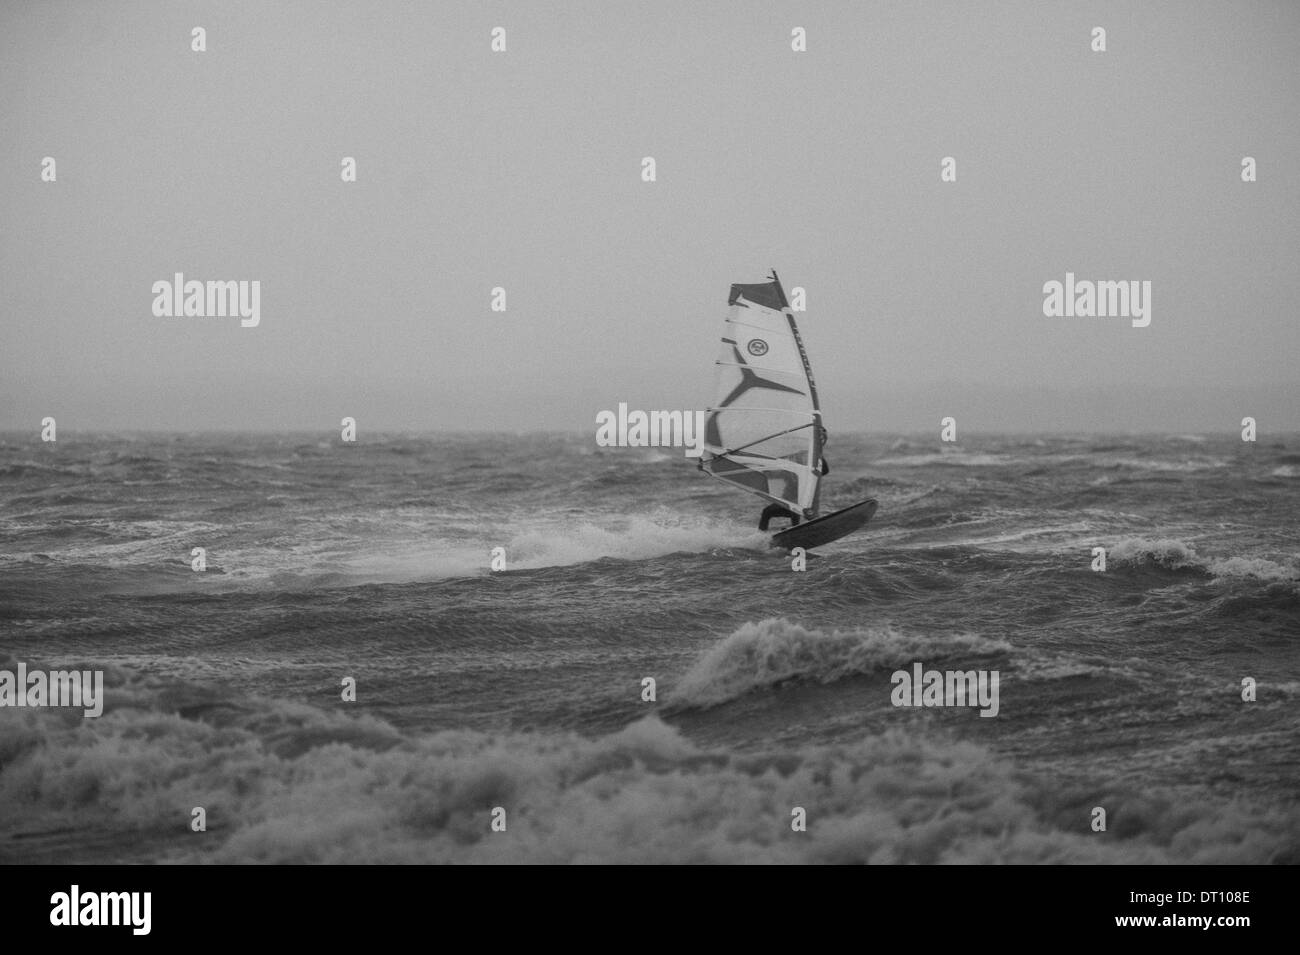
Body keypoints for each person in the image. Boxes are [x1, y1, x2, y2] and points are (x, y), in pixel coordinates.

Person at [757, 427, 831, 530]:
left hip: (802, 501)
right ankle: (762, 536)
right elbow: (776, 474)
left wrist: (818, 453)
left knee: (794, 507)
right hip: (788, 501)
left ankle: (796, 529)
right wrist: (763, 468)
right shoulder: (792, 463)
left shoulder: (809, 464)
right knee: (767, 512)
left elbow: (825, 470)